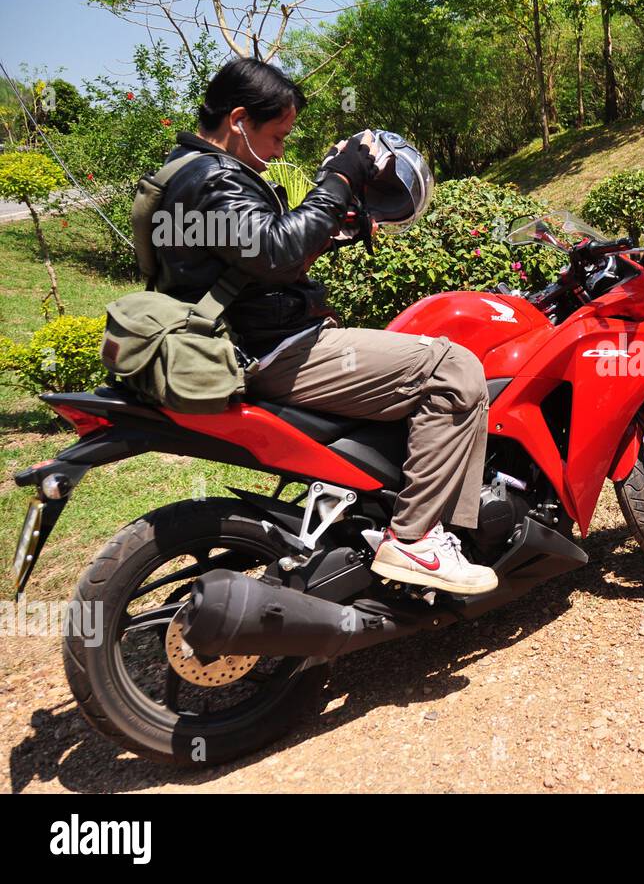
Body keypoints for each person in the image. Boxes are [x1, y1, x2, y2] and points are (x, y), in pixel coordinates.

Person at [152, 58, 498, 595]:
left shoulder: (184, 171)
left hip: (249, 340)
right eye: (277, 135)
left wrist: (329, 229)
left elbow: (254, 259)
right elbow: (274, 249)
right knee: (454, 368)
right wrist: (338, 179)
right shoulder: (212, 175)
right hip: (271, 350)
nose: (280, 150)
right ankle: (416, 539)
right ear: (239, 119)